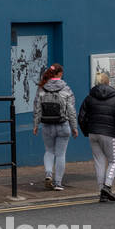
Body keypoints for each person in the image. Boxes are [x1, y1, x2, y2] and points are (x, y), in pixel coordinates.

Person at [78, 70, 115, 202]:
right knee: (114, 161)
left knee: (99, 161)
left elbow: (81, 117)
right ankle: (107, 185)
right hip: (110, 134)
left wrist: (86, 131)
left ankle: (102, 192)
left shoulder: (89, 97)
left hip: (93, 133)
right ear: (108, 82)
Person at [32, 63, 77, 192]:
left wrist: (35, 125)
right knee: (61, 154)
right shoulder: (66, 89)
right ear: (60, 74)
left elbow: (37, 109)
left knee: (49, 151)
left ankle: (48, 174)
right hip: (63, 125)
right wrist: (74, 127)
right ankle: (58, 183)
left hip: (47, 126)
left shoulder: (41, 89)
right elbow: (71, 111)